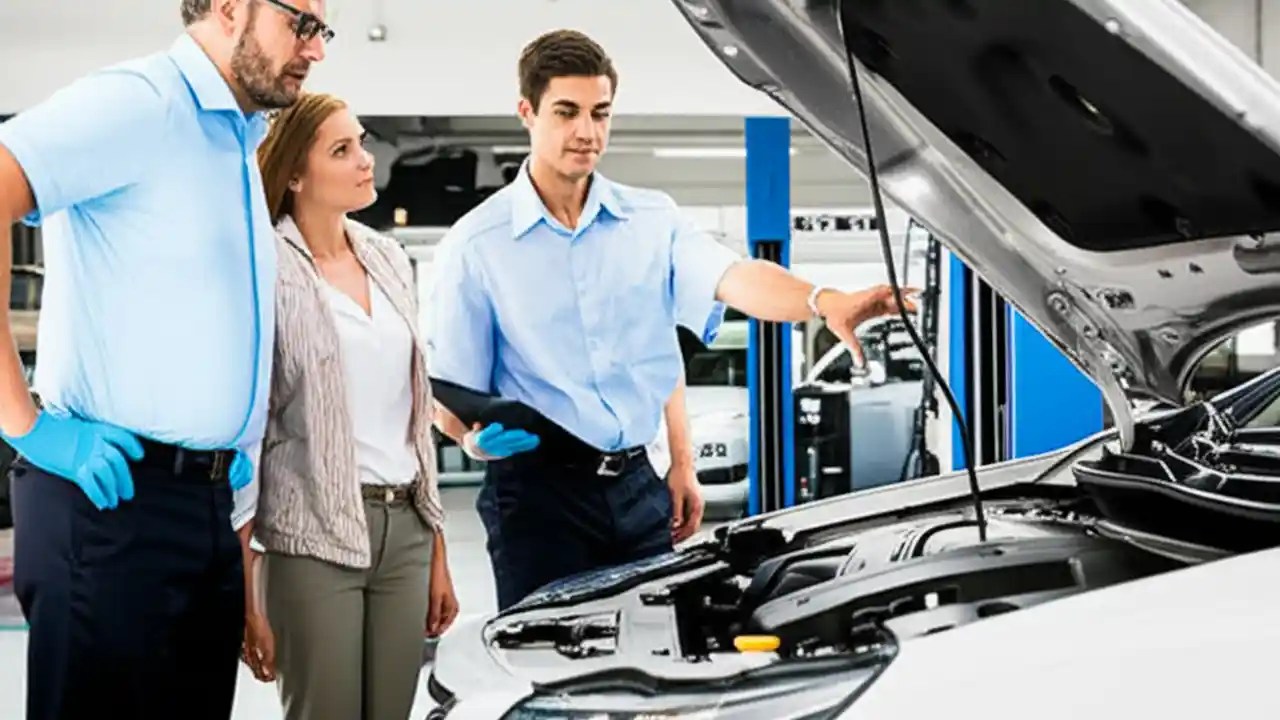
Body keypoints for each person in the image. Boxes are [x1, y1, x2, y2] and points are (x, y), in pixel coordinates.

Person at [426, 29, 915, 611]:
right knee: (554, 680)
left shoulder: (651, 220)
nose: (587, 132)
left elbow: (731, 279)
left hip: (639, 486)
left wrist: (822, 300)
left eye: (600, 113)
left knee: (653, 666)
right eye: (567, 112)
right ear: (527, 112)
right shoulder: (477, 245)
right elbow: (451, 396)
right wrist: (473, 442)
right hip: (538, 497)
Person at [0, 1, 329, 718]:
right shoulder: (140, 102)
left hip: (200, 508)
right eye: (301, 24)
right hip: (111, 499)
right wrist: (20, 421)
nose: (317, 49)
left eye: (321, 30)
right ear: (230, 8)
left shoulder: (234, 144)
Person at [235, 91, 462, 720]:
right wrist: (248, 592)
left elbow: (416, 420)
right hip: (309, 539)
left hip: (406, 530)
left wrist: (437, 549)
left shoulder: (389, 258)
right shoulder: (265, 268)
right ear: (297, 172)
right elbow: (246, 431)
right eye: (343, 150)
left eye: (362, 143)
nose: (366, 160)